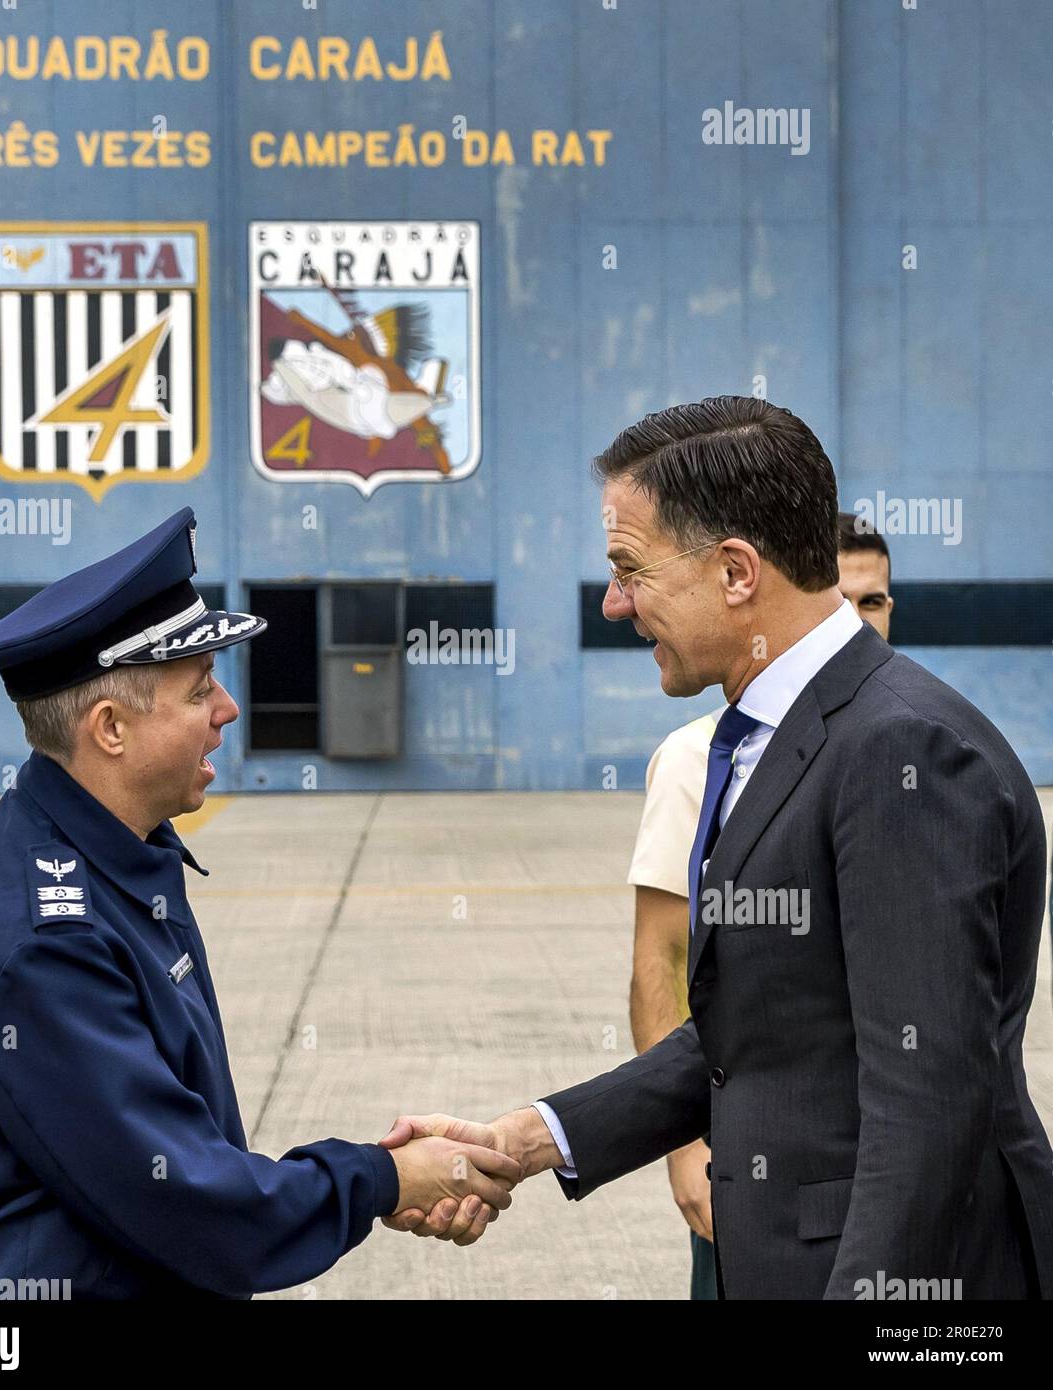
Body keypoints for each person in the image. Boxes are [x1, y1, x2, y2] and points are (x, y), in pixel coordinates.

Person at [383, 397, 1053, 1300]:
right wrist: (527, 1139)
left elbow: (927, 1102)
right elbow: (767, 1033)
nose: (616, 603)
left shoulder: (902, 752)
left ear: (736, 572)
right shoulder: (775, 737)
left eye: (629, 569)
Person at [0, 507, 518, 1299]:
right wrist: (379, 1179)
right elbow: (186, 1201)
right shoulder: (50, 943)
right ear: (110, 729)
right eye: (199, 690)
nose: (227, 711)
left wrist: (382, 1175)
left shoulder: (109, 852)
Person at [627, 512, 895, 1299]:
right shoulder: (697, 759)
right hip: (751, 1171)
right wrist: (683, 1151)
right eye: (840, 600)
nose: (856, 620)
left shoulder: (922, 747)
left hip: (887, 1179)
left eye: (873, 601)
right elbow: (662, 960)